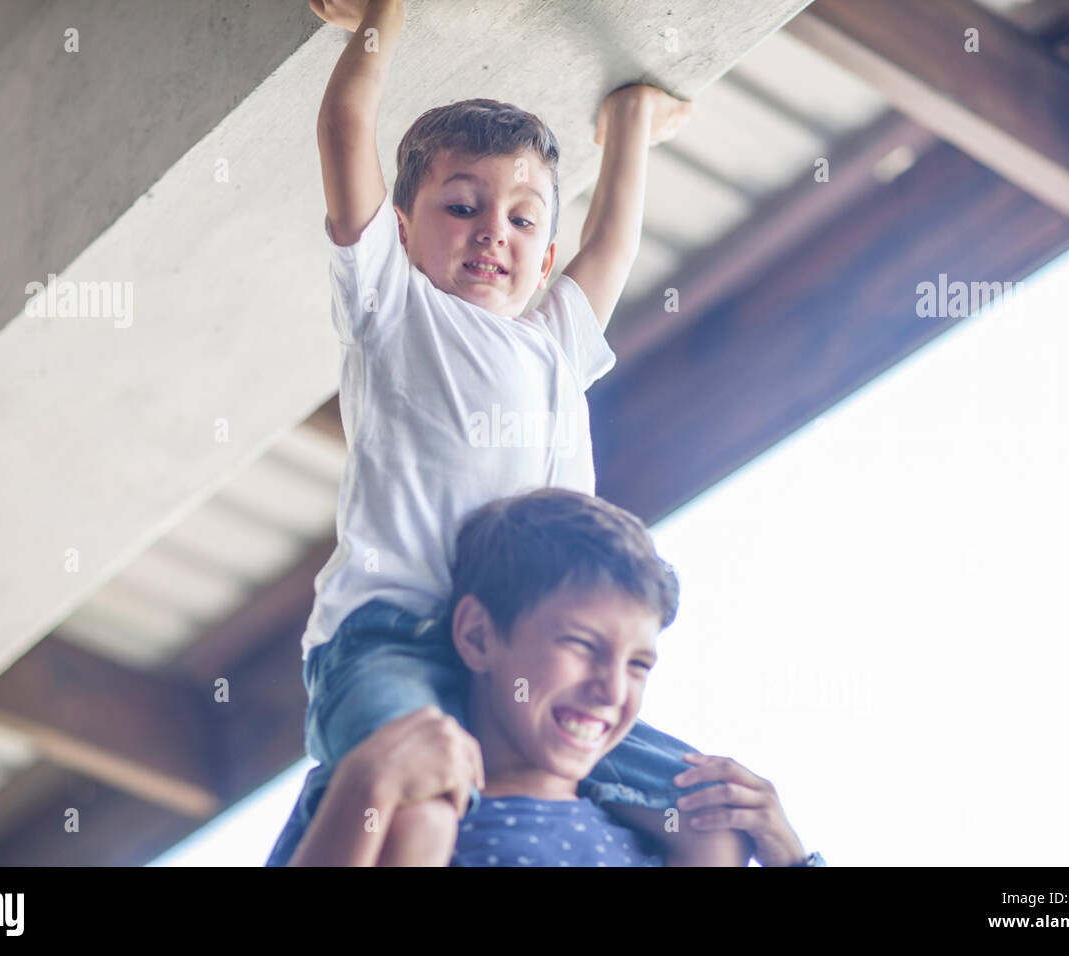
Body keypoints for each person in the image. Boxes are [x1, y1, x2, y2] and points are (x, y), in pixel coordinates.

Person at [266, 0, 712, 866]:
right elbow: (346, 126)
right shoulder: (392, 306)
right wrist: (380, 16)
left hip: (523, 656)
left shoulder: (553, 341)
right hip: (392, 635)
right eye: (462, 207)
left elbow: (611, 242)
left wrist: (629, 125)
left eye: (520, 220)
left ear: (545, 256)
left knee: (708, 803)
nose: (490, 233)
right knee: (425, 798)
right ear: (403, 230)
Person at [284, 488, 820, 866]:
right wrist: (369, 783)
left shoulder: (695, 841)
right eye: (581, 645)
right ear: (476, 636)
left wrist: (791, 857)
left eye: (638, 664)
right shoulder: (404, 816)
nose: (612, 690)